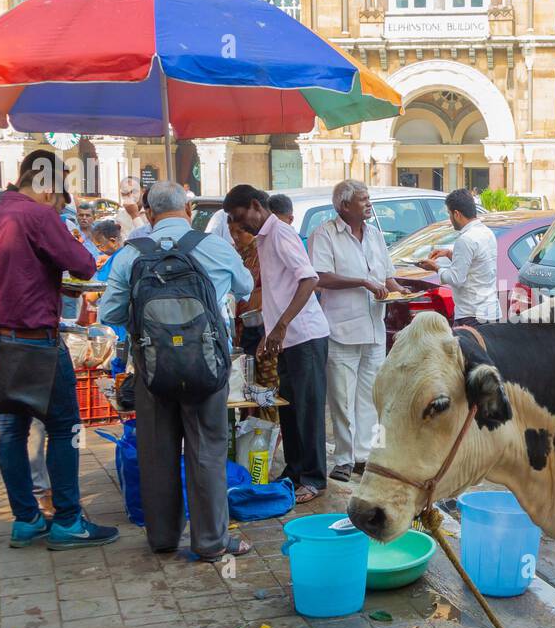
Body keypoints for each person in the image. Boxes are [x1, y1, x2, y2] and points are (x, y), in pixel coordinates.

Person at [0, 150, 118, 550]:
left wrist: (33, 280)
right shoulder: (38, 216)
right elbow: (83, 265)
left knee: (12, 429)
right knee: (65, 427)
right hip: (32, 341)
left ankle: (26, 519)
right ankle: (67, 520)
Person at [100, 181, 254, 560]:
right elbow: (246, 286)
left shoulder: (130, 255)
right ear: (188, 211)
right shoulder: (214, 247)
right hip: (207, 369)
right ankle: (211, 542)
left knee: (157, 454)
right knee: (207, 453)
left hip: (153, 372)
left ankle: (163, 538)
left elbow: (109, 314)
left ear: (149, 214)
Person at [223, 184, 329, 504]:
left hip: (306, 335)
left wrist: (281, 325)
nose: (241, 226)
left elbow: (309, 279)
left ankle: (314, 478)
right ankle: (295, 471)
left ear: (256, 205)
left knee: (308, 411)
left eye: (241, 218)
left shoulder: (281, 233)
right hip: (285, 338)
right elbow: (275, 292)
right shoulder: (264, 238)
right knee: (290, 409)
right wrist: (270, 334)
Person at [308, 179, 402, 482]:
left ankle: (369, 456)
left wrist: (402, 292)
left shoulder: (375, 235)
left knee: (373, 398)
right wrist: (362, 281)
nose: (369, 203)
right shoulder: (324, 234)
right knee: (341, 398)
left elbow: (388, 277)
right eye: (363, 199)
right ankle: (345, 459)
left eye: (368, 198)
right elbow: (320, 277)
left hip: (375, 327)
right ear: (344, 205)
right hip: (341, 329)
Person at [416, 188, 500, 325]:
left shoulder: (466, 239)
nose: (449, 219)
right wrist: (450, 254)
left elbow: (456, 278)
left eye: (449, 214)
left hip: (471, 314)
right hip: (490, 311)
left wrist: (436, 268)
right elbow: (476, 264)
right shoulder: (487, 232)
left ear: (456, 214)